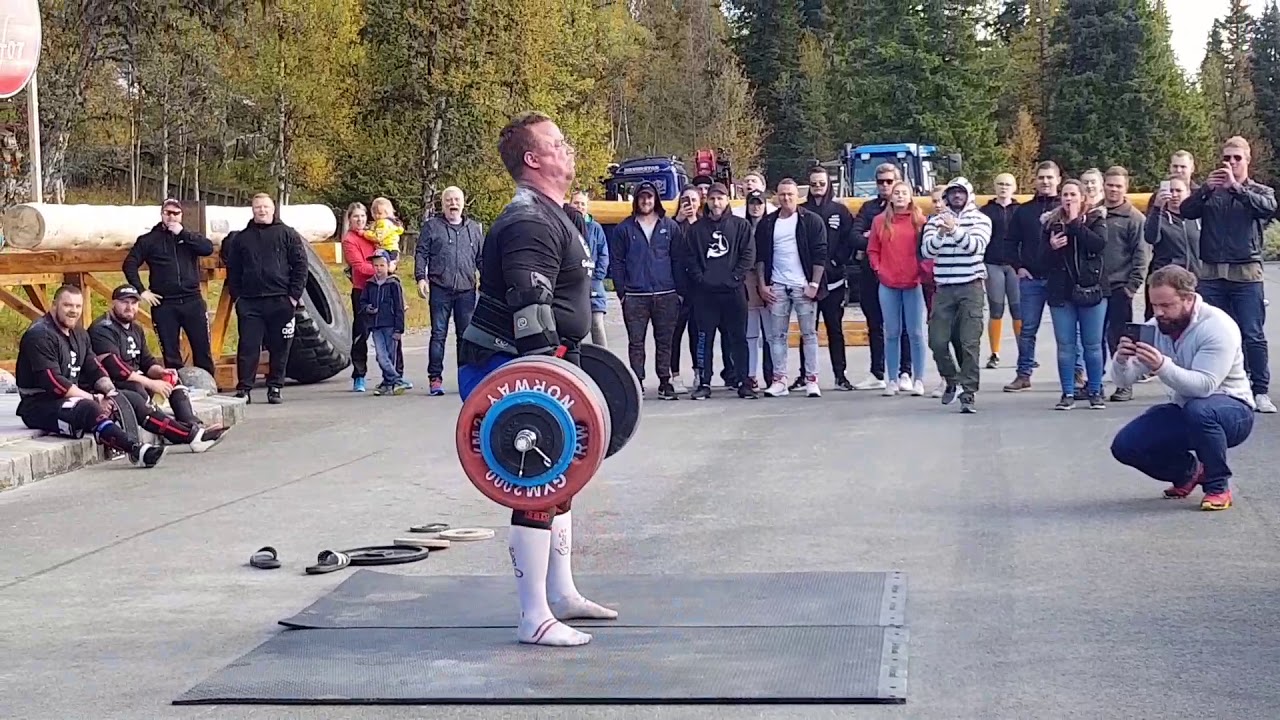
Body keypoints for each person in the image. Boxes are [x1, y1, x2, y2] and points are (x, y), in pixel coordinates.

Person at [457, 111, 616, 647]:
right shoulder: (527, 220)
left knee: (560, 478)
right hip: (509, 368)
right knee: (535, 479)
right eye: (557, 142)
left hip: (545, 363)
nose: (568, 148)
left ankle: (561, 593)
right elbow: (530, 307)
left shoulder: (556, 214)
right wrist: (547, 381)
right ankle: (534, 617)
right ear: (533, 159)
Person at [1110, 265, 1256, 511]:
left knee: (1200, 410)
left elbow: (1204, 387)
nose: (1159, 313)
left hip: (1233, 410)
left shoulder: (1217, 327)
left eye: (1166, 306)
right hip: (1186, 407)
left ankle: (1218, 487)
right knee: (1125, 445)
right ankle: (1189, 473)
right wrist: (1122, 360)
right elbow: (1123, 381)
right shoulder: (1158, 326)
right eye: (1155, 305)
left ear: (1188, 298)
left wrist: (1161, 365)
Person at [14, 285, 166, 468]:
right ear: (54, 306)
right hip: (38, 405)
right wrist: (94, 399)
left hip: (70, 398)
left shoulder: (79, 334)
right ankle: (136, 450)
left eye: (78, 306)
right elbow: (54, 383)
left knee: (129, 397)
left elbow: (94, 368)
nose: (73, 311)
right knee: (88, 408)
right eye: (67, 305)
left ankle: (186, 434)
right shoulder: (39, 335)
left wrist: (111, 393)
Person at [1179, 136, 1277, 414]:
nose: (1231, 162)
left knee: (1252, 333)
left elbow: (1268, 208)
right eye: (1226, 158)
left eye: (1237, 158)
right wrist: (1205, 190)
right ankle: (1219, 386)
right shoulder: (1211, 191)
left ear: (1247, 160)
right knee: (1213, 332)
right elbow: (1186, 211)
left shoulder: (1260, 190)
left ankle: (1260, 390)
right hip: (1211, 273)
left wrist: (1237, 189)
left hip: (1245, 272)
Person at [88, 284, 230, 451]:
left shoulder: (136, 329)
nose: (129, 307)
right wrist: (152, 383)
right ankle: (184, 434)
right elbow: (114, 367)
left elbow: (147, 362)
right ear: (113, 303)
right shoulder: (102, 329)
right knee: (137, 388)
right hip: (114, 384)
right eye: (124, 302)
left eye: (134, 303)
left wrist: (161, 372)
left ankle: (194, 425)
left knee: (173, 378)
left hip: (136, 379)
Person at [1005, 161, 1083, 394]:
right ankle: (1023, 374)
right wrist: (1018, 266)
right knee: (1027, 329)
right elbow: (1009, 243)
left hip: (1062, 278)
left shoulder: (1068, 208)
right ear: (1035, 180)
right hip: (1032, 278)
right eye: (1041, 177)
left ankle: (1076, 373)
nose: (1045, 182)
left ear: (1058, 180)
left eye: (1050, 177)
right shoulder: (1024, 211)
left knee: (1069, 331)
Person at [224, 193, 308, 404]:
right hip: (250, 302)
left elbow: (300, 265)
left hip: (281, 300)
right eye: (258, 207)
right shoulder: (241, 238)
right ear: (252, 210)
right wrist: (238, 297)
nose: (262, 210)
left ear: (273, 209)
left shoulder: (288, 234)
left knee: (280, 347)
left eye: (265, 207)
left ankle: (275, 387)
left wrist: (293, 296)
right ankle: (244, 389)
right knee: (248, 346)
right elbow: (233, 269)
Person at [121, 199, 216, 376]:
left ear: (181, 215)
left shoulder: (189, 237)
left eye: (175, 213)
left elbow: (207, 248)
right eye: (167, 213)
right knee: (171, 354)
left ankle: (208, 384)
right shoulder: (149, 240)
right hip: (164, 303)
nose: (171, 217)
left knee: (202, 349)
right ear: (162, 214)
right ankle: (177, 387)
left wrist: (183, 234)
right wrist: (141, 291)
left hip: (192, 300)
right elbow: (129, 264)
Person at [921, 178, 991, 413]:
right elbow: (927, 251)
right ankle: (952, 379)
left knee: (969, 342)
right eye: (952, 193)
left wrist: (955, 230)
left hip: (971, 286)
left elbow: (976, 247)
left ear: (969, 195)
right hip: (944, 287)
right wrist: (941, 233)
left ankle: (968, 393)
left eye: (961, 192)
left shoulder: (981, 220)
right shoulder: (934, 221)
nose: (957, 196)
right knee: (937, 340)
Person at [681, 183, 756, 400]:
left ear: (727, 200)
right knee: (704, 338)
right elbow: (689, 258)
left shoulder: (741, 226)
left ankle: (743, 381)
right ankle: (704, 382)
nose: (716, 203)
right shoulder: (696, 229)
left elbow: (748, 255)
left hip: (733, 292)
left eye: (720, 198)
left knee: (738, 338)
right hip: (705, 294)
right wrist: (701, 279)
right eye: (713, 199)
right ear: (707, 201)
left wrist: (735, 278)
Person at [755, 178, 829, 398]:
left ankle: (811, 379)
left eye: (790, 194)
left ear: (798, 196)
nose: (786, 198)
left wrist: (814, 284)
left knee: (809, 334)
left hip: (803, 286)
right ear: (776, 196)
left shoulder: (811, 221)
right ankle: (779, 380)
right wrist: (762, 285)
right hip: (777, 286)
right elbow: (760, 257)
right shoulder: (767, 223)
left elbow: (820, 253)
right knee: (777, 336)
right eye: (782, 194)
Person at [610, 180, 683, 399]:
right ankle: (637, 382)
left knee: (665, 341)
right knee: (636, 342)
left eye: (649, 197)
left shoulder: (670, 227)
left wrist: (679, 291)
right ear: (636, 200)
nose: (646, 201)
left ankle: (665, 381)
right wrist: (622, 292)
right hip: (635, 296)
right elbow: (617, 262)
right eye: (642, 197)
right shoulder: (624, 228)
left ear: (656, 199)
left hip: (666, 293)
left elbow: (678, 260)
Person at [1041, 180, 1109, 410]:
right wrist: (1051, 247)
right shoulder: (1050, 222)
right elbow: (1039, 260)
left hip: (1091, 288)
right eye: (1065, 195)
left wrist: (1075, 224)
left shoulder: (1096, 219)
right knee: (1065, 345)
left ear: (1082, 197)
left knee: (1092, 344)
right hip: (1061, 291)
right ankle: (1068, 392)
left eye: (1073, 194)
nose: (1068, 199)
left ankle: (1095, 390)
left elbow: (1098, 245)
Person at [414, 186, 483, 396]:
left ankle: (465, 379)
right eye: (448, 200)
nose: (453, 203)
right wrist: (421, 278)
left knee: (465, 336)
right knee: (438, 334)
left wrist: (487, 282)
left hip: (466, 290)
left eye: (456, 200)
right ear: (442, 204)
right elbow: (421, 253)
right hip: (440, 288)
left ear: (463, 203)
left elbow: (481, 258)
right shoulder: (432, 227)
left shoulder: (474, 229)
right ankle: (435, 378)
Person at [850, 163, 911, 391]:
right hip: (872, 274)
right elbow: (854, 237)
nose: (885, 185)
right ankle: (877, 372)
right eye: (881, 181)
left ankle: (905, 372)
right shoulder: (868, 208)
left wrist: (875, 237)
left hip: (899, 274)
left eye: (889, 181)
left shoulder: (909, 209)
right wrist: (876, 239)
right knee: (875, 324)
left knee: (902, 326)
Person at [867, 181, 929, 397]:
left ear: (911, 196)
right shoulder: (879, 221)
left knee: (916, 332)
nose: (900, 196)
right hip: (888, 283)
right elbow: (872, 249)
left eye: (904, 193)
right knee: (891, 332)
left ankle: (919, 379)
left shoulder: (920, 220)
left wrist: (921, 272)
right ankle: (892, 379)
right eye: (896, 193)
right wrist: (878, 269)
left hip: (913, 283)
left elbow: (927, 250)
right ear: (891, 197)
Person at [797, 166, 855, 391]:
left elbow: (849, 240)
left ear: (829, 184)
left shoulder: (840, 211)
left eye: (821, 183)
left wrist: (837, 261)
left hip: (834, 282)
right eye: (813, 184)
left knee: (835, 330)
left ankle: (840, 376)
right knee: (807, 331)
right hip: (807, 281)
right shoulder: (801, 211)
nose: (818, 187)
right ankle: (804, 375)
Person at [1097, 166, 1148, 402]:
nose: (1114, 190)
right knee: (1093, 340)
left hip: (1120, 288)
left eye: (1118, 186)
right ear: (1103, 185)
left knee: (1120, 341)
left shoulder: (1135, 219)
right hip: (1094, 288)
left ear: (1126, 187)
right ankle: (1094, 384)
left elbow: (1141, 255)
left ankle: (1124, 385)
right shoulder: (1093, 213)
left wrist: (1131, 287)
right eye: (1110, 185)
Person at [980, 173, 1022, 370]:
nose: (1004, 187)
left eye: (1007, 184)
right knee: (996, 309)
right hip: (993, 263)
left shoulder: (1020, 210)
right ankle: (995, 353)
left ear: (1014, 187)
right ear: (994, 186)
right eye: (1000, 184)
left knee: (1018, 310)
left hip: (1015, 265)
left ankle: (1024, 352)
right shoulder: (985, 211)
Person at [1143, 176, 1201, 320]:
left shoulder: (1197, 218)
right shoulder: (1159, 217)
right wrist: (1157, 208)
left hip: (1195, 279)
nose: (1174, 195)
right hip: (1166, 282)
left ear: (1188, 193)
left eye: (1178, 191)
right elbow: (1151, 238)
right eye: (1170, 191)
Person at [360, 251, 410, 396]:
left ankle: (388, 383)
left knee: (390, 356)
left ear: (388, 266)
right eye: (376, 266)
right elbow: (362, 302)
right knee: (381, 356)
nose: (379, 269)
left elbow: (399, 307)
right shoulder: (369, 284)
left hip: (391, 326)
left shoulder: (393, 284)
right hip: (375, 326)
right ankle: (397, 380)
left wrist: (399, 329)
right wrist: (367, 308)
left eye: (382, 265)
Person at [670, 187, 704, 391]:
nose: (689, 204)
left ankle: (699, 372)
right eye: (685, 199)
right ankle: (674, 375)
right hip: (677, 288)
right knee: (674, 334)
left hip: (699, 288)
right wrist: (679, 220)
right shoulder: (673, 225)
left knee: (697, 333)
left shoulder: (704, 225)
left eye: (693, 199)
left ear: (700, 202)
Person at [742, 190, 775, 389]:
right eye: (752, 203)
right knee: (751, 334)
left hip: (769, 281)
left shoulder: (772, 226)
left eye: (759, 203)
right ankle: (751, 375)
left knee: (771, 334)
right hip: (748, 281)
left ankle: (773, 375)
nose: (755, 207)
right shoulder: (742, 227)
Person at [569, 191, 610, 345]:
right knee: (572, 329)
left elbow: (603, 255)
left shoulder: (596, 228)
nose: (579, 206)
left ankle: (603, 357)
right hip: (571, 286)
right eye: (576, 203)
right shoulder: (565, 226)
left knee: (597, 324)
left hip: (593, 285)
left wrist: (596, 277)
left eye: (582, 204)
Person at [364, 197, 404, 271]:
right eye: (374, 213)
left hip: (387, 249)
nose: (377, 216)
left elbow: (378, 237)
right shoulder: (390, 222)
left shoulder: (384, 223)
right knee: (386, 269)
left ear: (387, 213)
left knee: (383, 268)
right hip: (392, 249)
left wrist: (365, 233)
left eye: (380, 213)